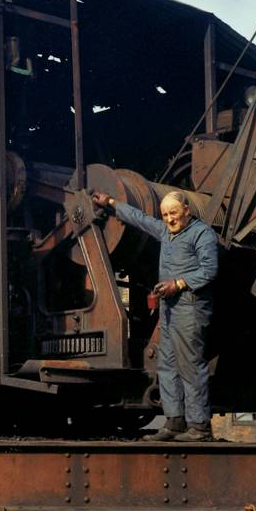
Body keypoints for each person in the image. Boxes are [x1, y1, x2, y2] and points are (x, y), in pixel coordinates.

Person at [90, 188, 219, 441]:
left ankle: (200, 427)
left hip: (190, 308)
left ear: (187, 211)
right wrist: (112, 202)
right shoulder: (165, 231)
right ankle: (174, 423)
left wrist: (178, 284)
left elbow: (209, 270)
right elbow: (140, 218)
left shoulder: (202, 234)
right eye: (165, 214)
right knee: (167, 364)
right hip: (169, 309)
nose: (169, 219)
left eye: (174, 213)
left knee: (190, 366)